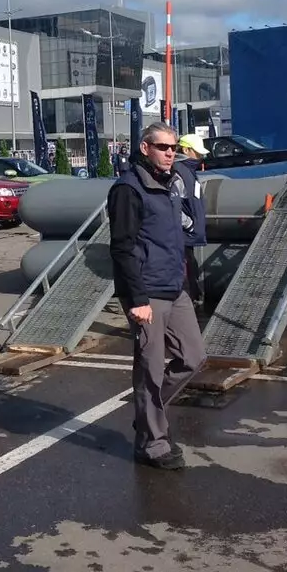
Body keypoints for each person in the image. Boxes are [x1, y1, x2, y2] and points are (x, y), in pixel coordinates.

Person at [107, 121, 207, 470]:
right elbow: (122, 248)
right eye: (163, 147)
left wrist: (187, 283)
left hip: (174, 287)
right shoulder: (129, 189)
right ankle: (152, 443)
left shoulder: (170, 186)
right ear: (144, 148)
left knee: (193, 357)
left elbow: (175, 241)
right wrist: (137, 300)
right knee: (150, 369)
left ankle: (147, 413)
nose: (170, 153)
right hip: (146, 292)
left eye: (174, 147)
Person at [176, 134, 210, 304]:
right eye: (197, 153)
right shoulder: (178, 172)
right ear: (186, 150)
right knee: (183, 282)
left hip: (187, 238)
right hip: (180, 237)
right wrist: (189, 224)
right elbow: (171, 204)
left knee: (189, 273)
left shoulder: (188, 171)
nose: (201, 157)